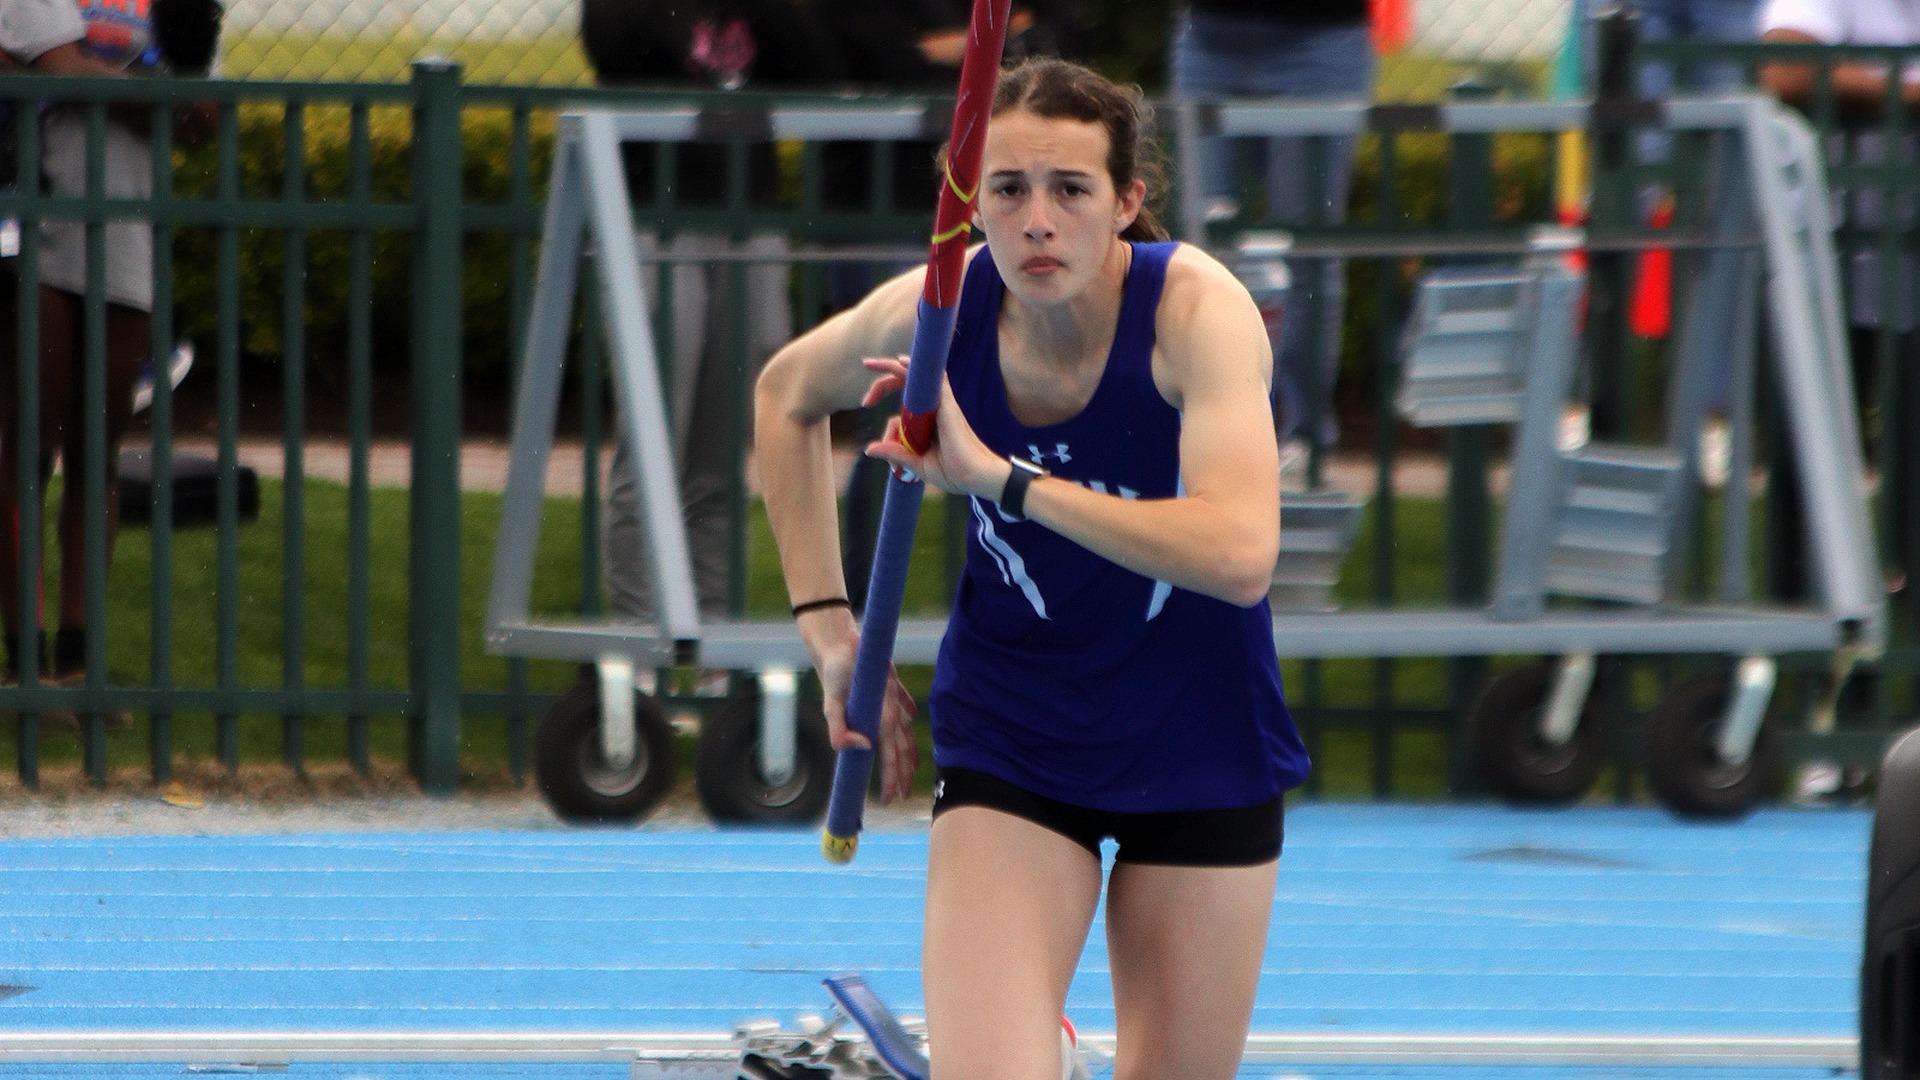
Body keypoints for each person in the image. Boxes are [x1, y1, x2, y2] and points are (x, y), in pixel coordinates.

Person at [755, 57, 1308, 1080]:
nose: (1037, 221)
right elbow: (787, 394)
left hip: (1200, 740)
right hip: (1018, 742)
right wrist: (831, 636)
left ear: (1129, 201)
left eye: (1071, 190)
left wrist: (998, 479)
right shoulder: (942, 309)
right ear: (970, 204)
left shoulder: (1195, 312)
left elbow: (1239, 556)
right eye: (1006, 190)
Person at [0, 0, 213, 686]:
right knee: (30, 442)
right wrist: (149, 92)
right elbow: (57, 66)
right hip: (38, 213)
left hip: (129, 227)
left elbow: (201, 118)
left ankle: (77, 660)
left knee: (99, 446)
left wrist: (127, 85)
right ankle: (24, 660)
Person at [1168, 0, 1376, 478]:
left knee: (1307, 246)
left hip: (1319, 44)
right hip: (1209, 39)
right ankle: (1205, 428)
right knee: (1203, 252)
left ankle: (1302, 437)